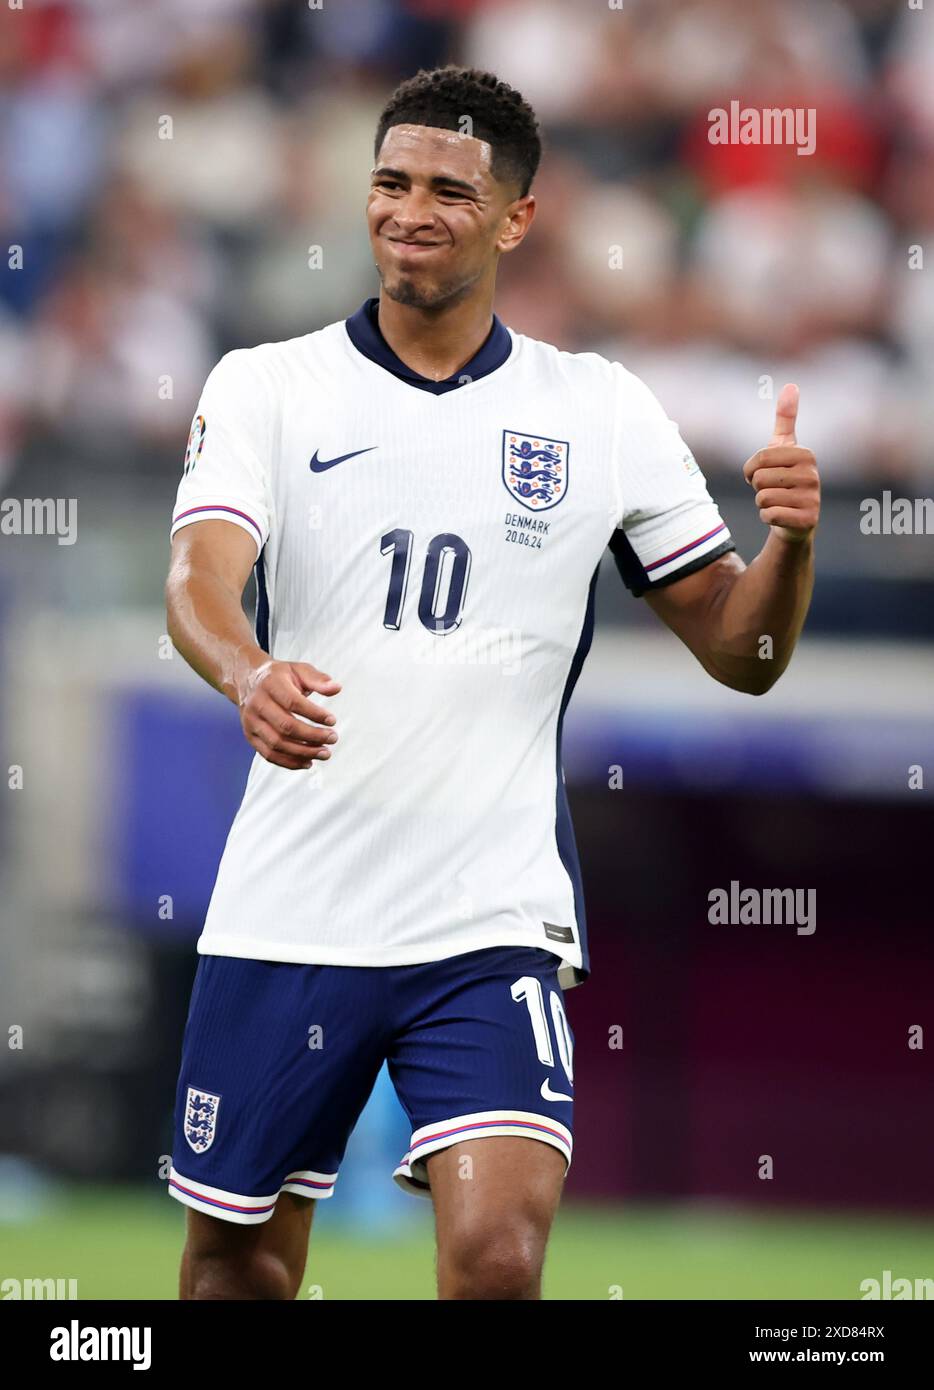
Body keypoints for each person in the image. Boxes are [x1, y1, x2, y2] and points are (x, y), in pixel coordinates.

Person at [165, 65, 820, 1300]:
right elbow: (198, 579)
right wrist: (247, 672)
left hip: (490, 916)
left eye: (448, 191)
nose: (409, 211)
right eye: (391, 182)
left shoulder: (597, 409)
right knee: (234, 1272)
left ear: (517, 218)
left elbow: (746, 656)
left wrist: (786, 546)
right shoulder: (268, 383)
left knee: (499, 1260)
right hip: (291, 905)